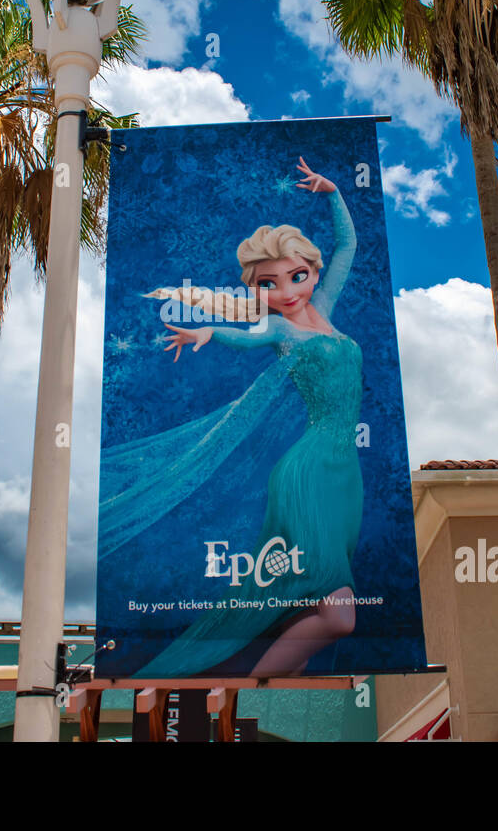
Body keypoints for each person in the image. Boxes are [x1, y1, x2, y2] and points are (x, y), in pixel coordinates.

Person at [100, 157, 364, 677]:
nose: (286, 291)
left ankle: (277, 686)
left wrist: (333, 193)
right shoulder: (282, 331)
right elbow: (247, 339)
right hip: (308, 472)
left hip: (343, 474)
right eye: (270, 284)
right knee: (340, 616)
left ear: (310, 273)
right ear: (257, 291)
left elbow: (349, 247)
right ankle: (257, 684)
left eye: (296, 276)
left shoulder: (325, 309)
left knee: (319, 602)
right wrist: (207, 332)